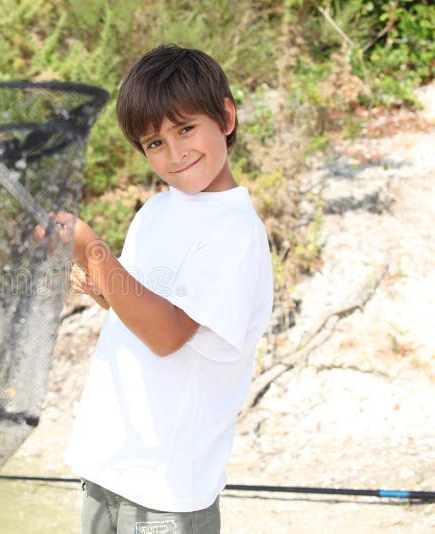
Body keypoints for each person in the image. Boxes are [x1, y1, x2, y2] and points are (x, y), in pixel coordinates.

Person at [54, 44, 274, 533]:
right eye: (154, 143)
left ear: (226, 116)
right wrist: (102, 288)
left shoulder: (235, 233)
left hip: (167, 492)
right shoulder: (156, 211)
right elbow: (141, 307)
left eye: (186, 128)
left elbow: (168, 334)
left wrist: (93, 250)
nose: (175, 153)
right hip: (106, 467)